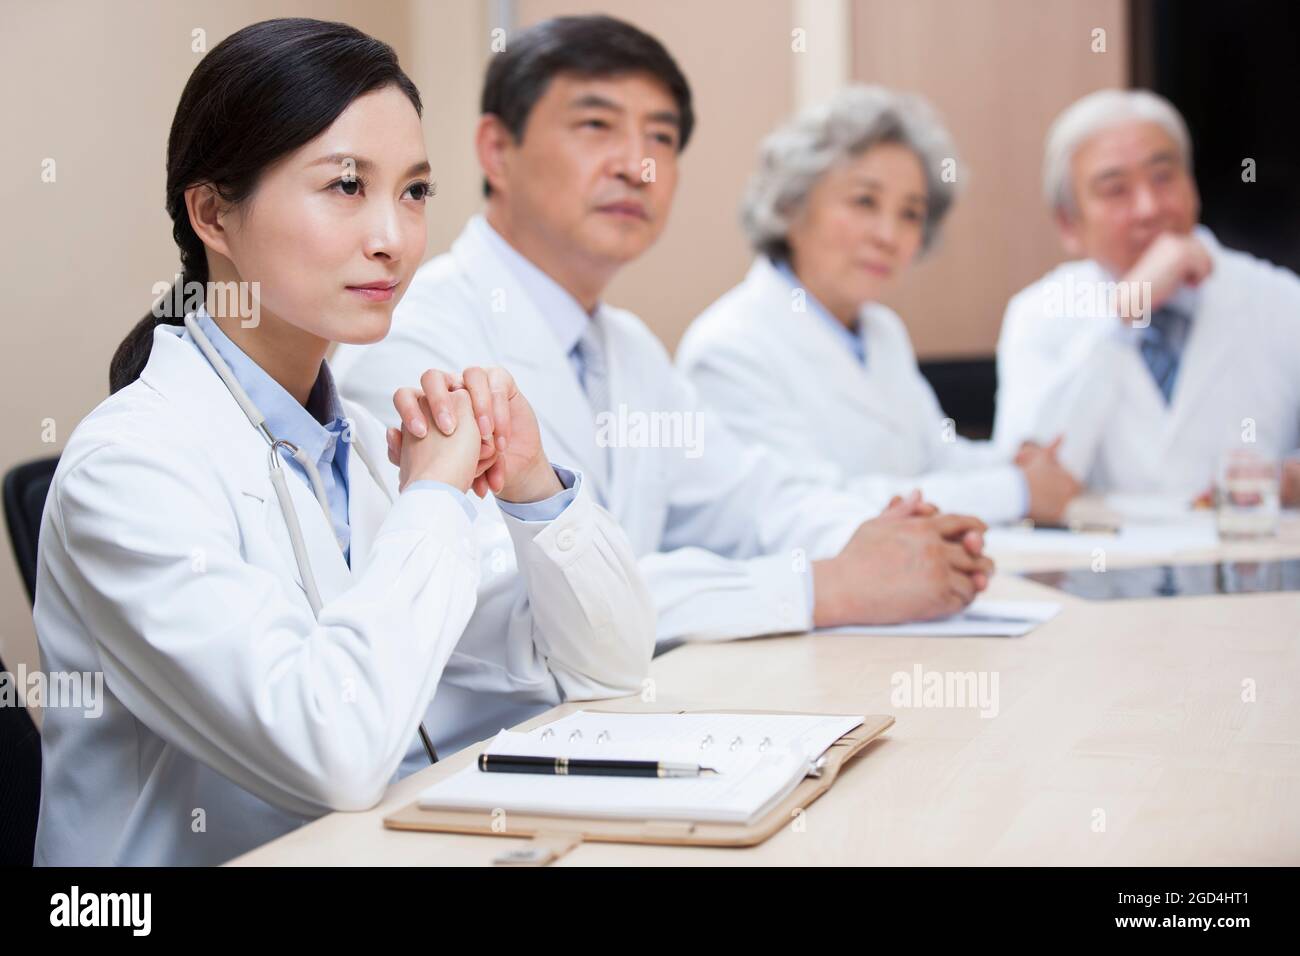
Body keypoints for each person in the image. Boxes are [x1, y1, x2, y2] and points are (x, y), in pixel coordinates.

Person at [33, 17, 652, 867]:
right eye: (346, 187)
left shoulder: (360, 442)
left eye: (415, 192)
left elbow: (611, 668)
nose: (393, 238)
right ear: (213, 213)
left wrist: (533, 490)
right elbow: (335, 753)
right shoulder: (129, 469)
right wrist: (432, 498)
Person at [334, 15, 995, 651]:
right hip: (482, 747)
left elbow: (748, 503)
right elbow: (503, 599)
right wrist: (821, 585)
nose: (636, 165)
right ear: (497, 151)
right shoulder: (411, 336)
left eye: (661, 138)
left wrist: (900, 541)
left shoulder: (629, 349)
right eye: (596, 125)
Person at [677, 85, 1080, 526]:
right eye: (864, 201)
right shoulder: (729, 348)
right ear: (791, 207)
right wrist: (1015, 491)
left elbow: (936, 456)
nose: (888, 236)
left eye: (910, 213)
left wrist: (1014, 463)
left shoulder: (880, 330)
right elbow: (813, 507)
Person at [994, 89, 1300, 503]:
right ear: (1069, 225)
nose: (1148, 207)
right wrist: (1126, 310)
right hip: (1103, 565)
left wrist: (1286, 483)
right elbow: (1029, 478)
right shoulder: (1038, 314)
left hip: (1251, 563)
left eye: (1163, 177)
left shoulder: (1282, 301)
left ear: (1192, 186)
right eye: (1116, 189)